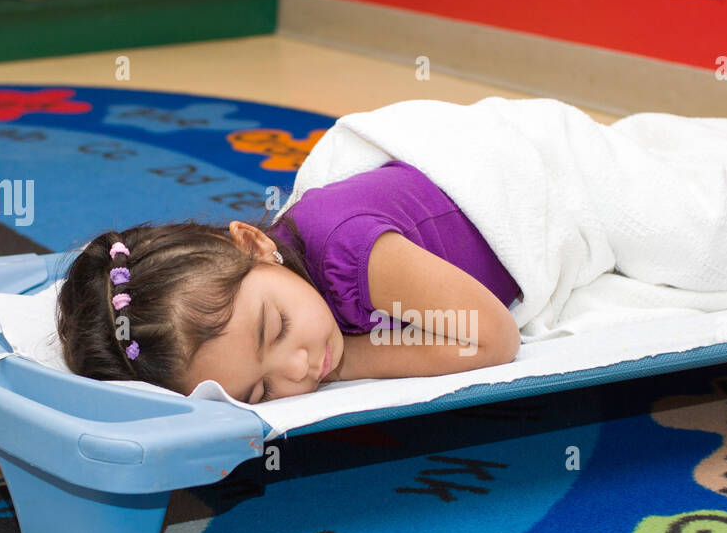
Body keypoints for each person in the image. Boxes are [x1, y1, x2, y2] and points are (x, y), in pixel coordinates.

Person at [57, 162, 524, 402]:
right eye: (262, 391)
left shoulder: (351, 251)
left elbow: (493, 339)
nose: (298, 368)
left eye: (277, 327)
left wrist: (348, 362)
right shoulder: (275, 289)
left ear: (255, 244)